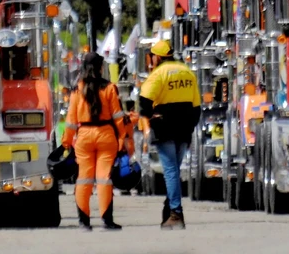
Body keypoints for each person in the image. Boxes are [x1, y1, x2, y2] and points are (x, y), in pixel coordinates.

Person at [61, 52, 133, 232]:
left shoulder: (77, 89)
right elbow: (118, 116)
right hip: (105, 135)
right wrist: (122, 137)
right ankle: (107, 220)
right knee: (104, 179)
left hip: (84, 136)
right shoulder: (109, 88)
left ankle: (84, 222)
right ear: (101, 68)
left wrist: (66, 142)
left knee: (84, 179)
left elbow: (71, 120)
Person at [138, 40, 200, 230]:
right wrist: (190, 129)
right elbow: (196, 107)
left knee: (171, 172)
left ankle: (175, 213)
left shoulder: (158, 74)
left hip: (165, 129)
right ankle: (170, 209)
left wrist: (151, 116)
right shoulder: (187, 72)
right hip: (184, 129)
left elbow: (144, 102)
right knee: (174, 171)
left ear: (157, 57)